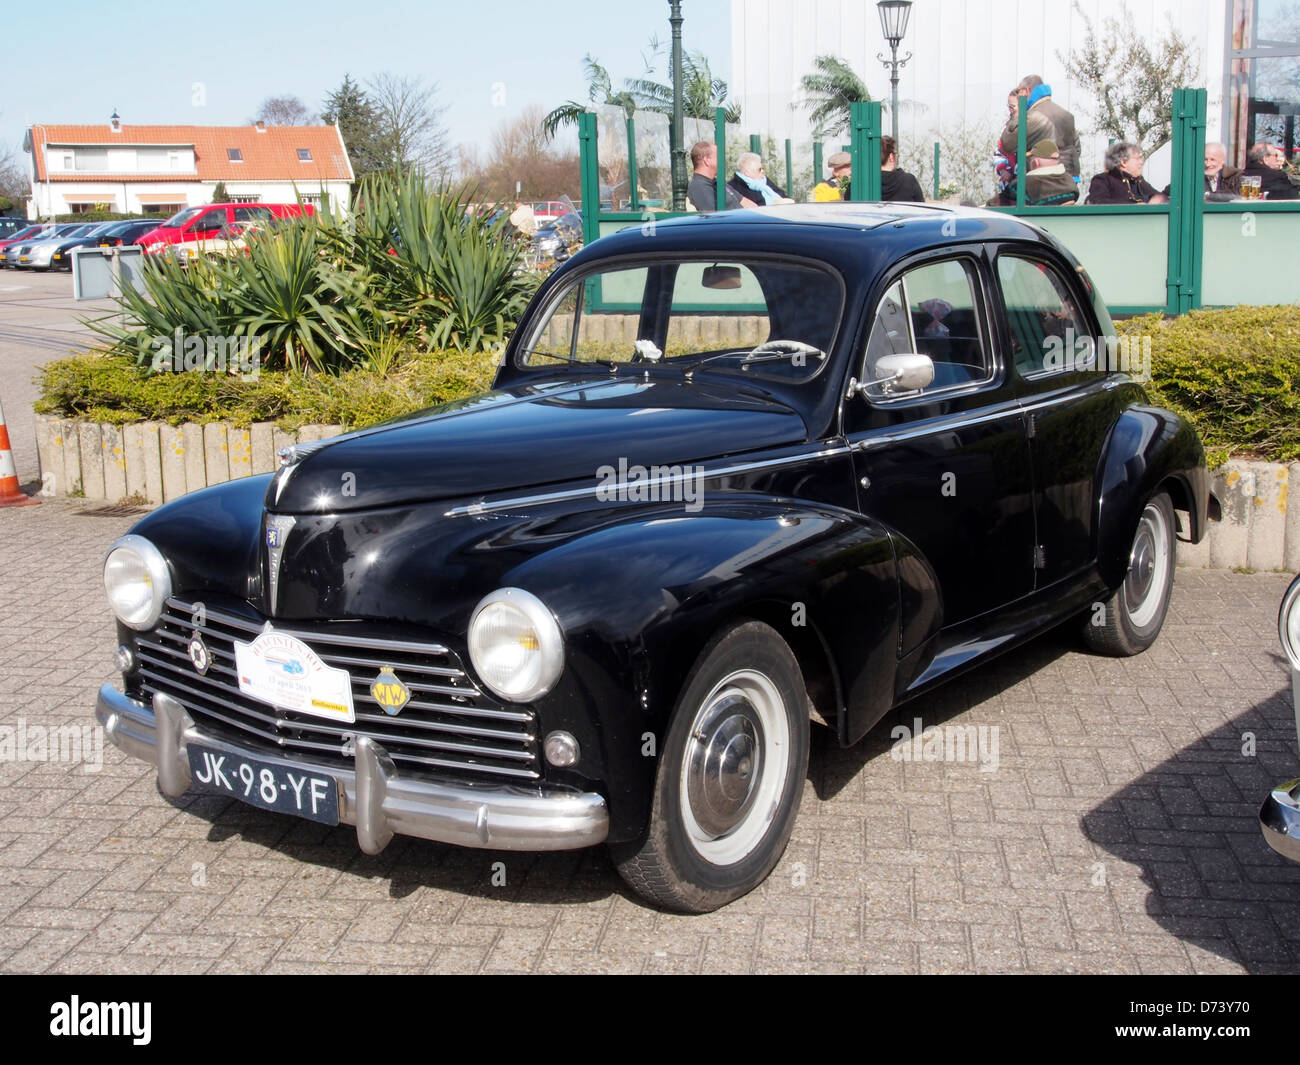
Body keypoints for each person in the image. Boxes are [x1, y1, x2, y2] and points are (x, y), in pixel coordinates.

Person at [1010, 75, 1081, 178]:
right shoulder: (1066, 115)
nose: (1018, 96)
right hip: (1068, 176)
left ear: (1026, 91)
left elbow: (1007, 143)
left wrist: (1018, 113)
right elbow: (1077, 147)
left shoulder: (1030, 117)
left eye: (1019, 92)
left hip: (1040, 178)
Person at [1085, 142, 1167, 204]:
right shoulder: (1103, 180)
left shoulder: (1139, 182)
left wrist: (1159, 199)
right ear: (1123, 162)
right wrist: (1134, 206)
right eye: (1137, 158)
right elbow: (1098, 202)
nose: (1141, 162)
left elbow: (1159, 197)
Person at [687, 142, 752, 212]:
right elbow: (715, 217)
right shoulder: (699, 187)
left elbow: (746, 202)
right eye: (719, 157)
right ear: (707, 160)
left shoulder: (717, 182)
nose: (722, 160)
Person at [727, 152, 794, 206]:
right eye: (759, 169)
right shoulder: (734, 187)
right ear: (747, 173)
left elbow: (781, 194)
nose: (762, 171)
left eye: (762, 168)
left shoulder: (764, 181)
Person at [1024, 140, 1078, 205]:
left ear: (1036, 162)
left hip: (1040, 214)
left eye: (1030, 159)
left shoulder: (1028, 182)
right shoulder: (1069, 179)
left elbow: (1011, 193)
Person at [880, 136, 925, 201]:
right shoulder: (909, 181)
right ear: (891, 156)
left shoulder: (868, 183)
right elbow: (921, 208)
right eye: (896, 153)